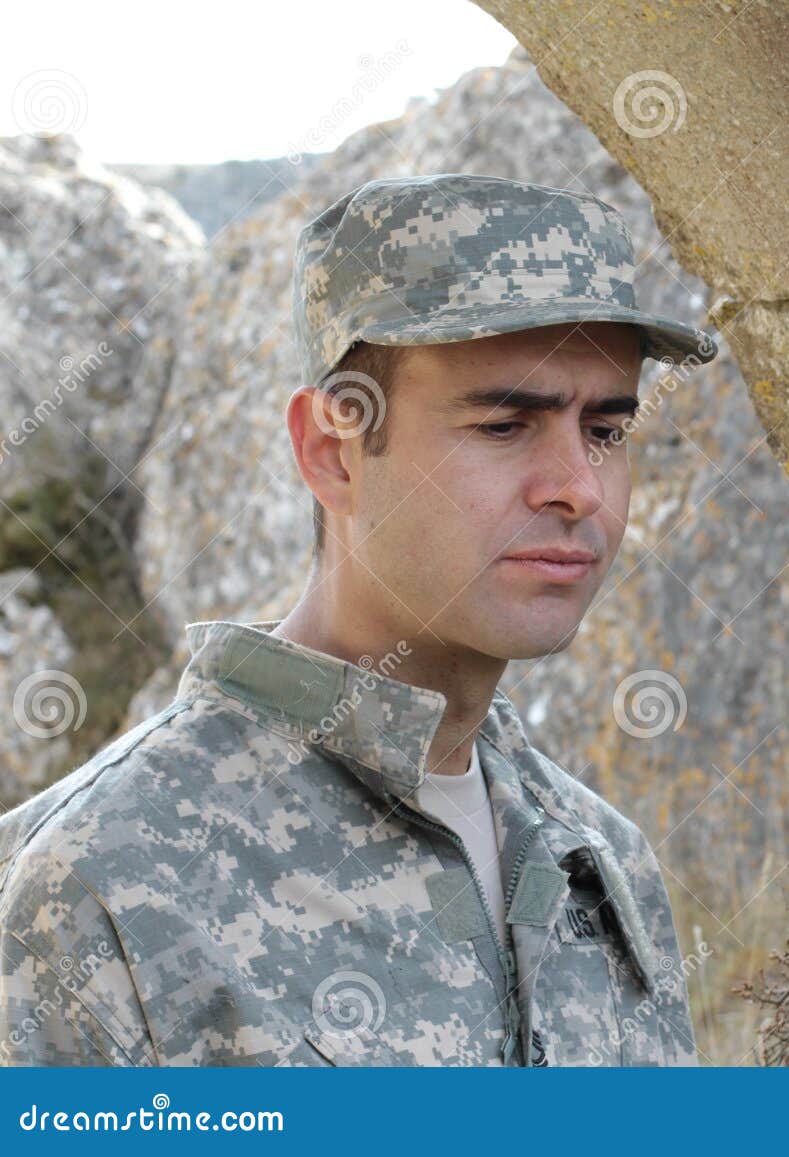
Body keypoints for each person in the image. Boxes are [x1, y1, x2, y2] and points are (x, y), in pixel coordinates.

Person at [0, 172, 718, 1066]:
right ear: (333, 451)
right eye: (504, 425)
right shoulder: (100, 883)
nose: (578, 487)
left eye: (606, 430)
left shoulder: (600, 859)